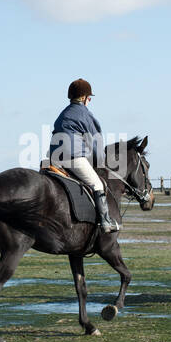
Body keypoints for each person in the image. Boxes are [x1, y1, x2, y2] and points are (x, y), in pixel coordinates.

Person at [49, 78, 119, 233]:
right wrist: (100, 162)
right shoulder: (85, 114)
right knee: (98, 184)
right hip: (72, 157)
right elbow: (95, 142)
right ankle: (106, 222)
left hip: (54, 157)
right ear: (87, 98)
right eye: (89, 98)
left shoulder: (64, 113)